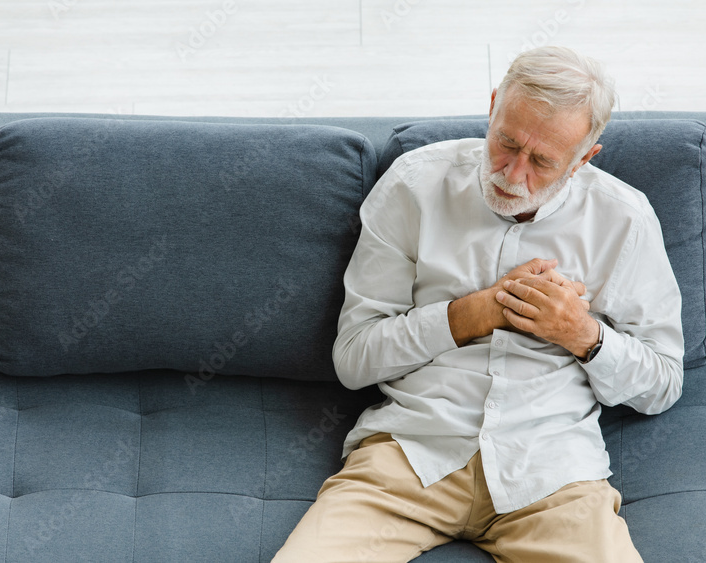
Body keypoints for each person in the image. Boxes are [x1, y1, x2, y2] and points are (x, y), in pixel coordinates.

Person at [273, 45, 684, 562]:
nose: (513, 174)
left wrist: (582, 335)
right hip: (410, 456)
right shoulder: (413, 186)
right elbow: (354, 359)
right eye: (506, 142)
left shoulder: (624, 220)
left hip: (550, 474)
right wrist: (477, 312)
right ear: (492, 107)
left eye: (541, 161)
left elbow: (664, 382)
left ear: (583, 159)